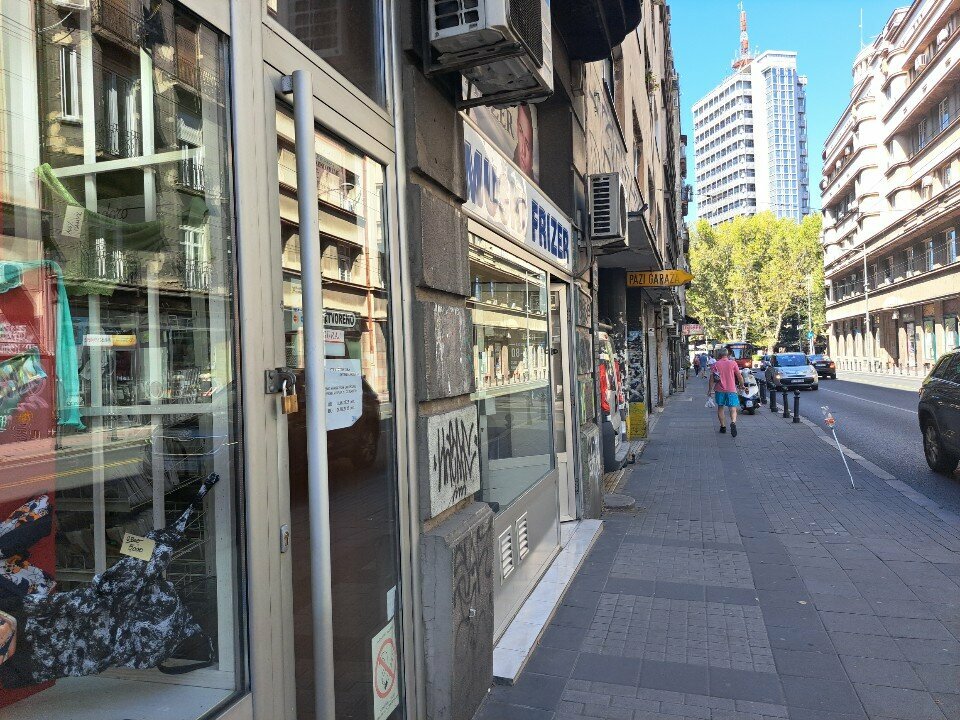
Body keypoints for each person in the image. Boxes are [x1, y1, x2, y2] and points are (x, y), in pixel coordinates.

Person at [708, 347, 745, 437]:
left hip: (720, 390)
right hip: (731, 389)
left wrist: (710, 390)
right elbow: (739, 376)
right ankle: (733, 422)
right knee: (732, 408)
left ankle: (723, 427)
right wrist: (742, 385)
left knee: (721, 408)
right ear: (727, 354)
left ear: (719, 355)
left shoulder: (715, 364)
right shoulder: (733, 363)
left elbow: (712, 379)